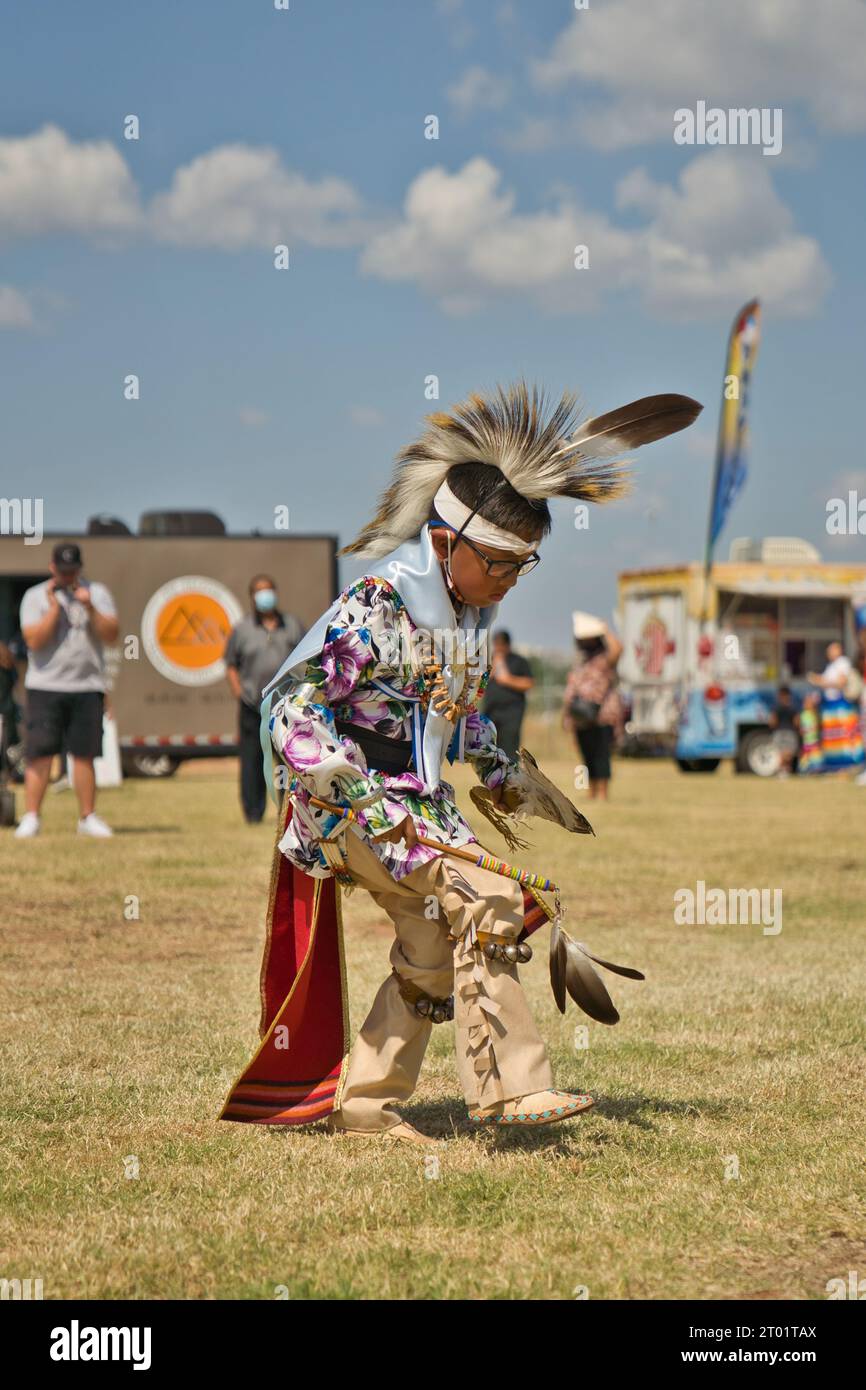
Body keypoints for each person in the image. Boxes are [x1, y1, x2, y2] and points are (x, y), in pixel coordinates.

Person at [219, 382, 701, 1144]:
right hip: (353, 806)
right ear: (447, 545)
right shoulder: (375, 609)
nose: (512, 578)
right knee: (485, 899)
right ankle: (514, 1088)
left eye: (524, 562)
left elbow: (449, 715)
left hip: (417, 805)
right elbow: (289, 710)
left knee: (430, 948)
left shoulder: (465, 619)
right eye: (501, 560)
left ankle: (367, 1107)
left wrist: (504, 773)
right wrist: (349, 787)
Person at [16, 542, 119, 839]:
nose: (67, 577)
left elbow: (112, 635)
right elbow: (35, 641)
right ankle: (32, 817)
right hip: (45, 686)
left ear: (79, 569)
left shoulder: (97, 594)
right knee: (40, 753)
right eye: (62, 572)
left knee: (84, 755)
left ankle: (87, 817)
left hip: (86, 686)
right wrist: (53, 608)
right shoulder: (35, 596)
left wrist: (89, 606)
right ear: (52, 569)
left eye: (72, 571)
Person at [224, 576, 304, 823]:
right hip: (252, 706)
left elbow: (308, 656)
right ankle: (253, 812)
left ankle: (287, 812)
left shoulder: (291, 625)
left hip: (287, 705)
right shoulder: (242, 629)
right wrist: (239, 692)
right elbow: (230, 664)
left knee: (287, 760)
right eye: (259, 591)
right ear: (251, 597)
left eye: (268, 590)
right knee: (252, 761)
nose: (265, 595)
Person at [563, 613, 624, 801]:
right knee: (586, 754)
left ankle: (603, 793)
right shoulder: (581, 660)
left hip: (601, 714)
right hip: (580, 716)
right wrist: (566, 716)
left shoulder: (605, 658)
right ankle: (591, 791)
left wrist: (603, 629)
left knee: (601, 754)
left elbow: (618, 649)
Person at [806, 640, 865, 775]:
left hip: (841, 705)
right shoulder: (831, 666)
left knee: (845, 735)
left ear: (838, 650)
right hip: (830, 705)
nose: (830, 653)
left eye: (832, 650)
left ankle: (849, 765)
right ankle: (836, 766)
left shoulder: (843, 662)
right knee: (833, 737)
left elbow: (841, 683)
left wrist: (821, 682)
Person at [480, 629, 534, 757]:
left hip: (512, 713)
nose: (498, 648)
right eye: (496, 644)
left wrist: (508, 679)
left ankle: (510, 773)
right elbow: (479, 684)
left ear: (507, 645)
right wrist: (492, 669)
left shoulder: (519, 661)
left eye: (501, 644)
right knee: (489, 746)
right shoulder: (488, 661)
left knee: (509, 746)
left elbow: (529, 683)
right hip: (491, 711)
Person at [769, 684, 799, 778]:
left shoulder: (776, 707)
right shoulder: (793, 708)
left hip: (779, 732)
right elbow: (797, 722)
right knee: (789, 753)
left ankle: (782, 770)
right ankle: (786, 770)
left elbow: (772, 722)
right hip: (790, 732)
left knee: (781, 753)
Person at [797, 690, 823, 775]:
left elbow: (818, 726)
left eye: (808, 703)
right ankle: (803, 770)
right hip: (806, 741)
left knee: (815, 757)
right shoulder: (803, 714)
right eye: (805, 702)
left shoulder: (815, 714)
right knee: (805, 757)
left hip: (814, 740)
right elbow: (800, 725)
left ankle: (816, 770)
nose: (806, 704)